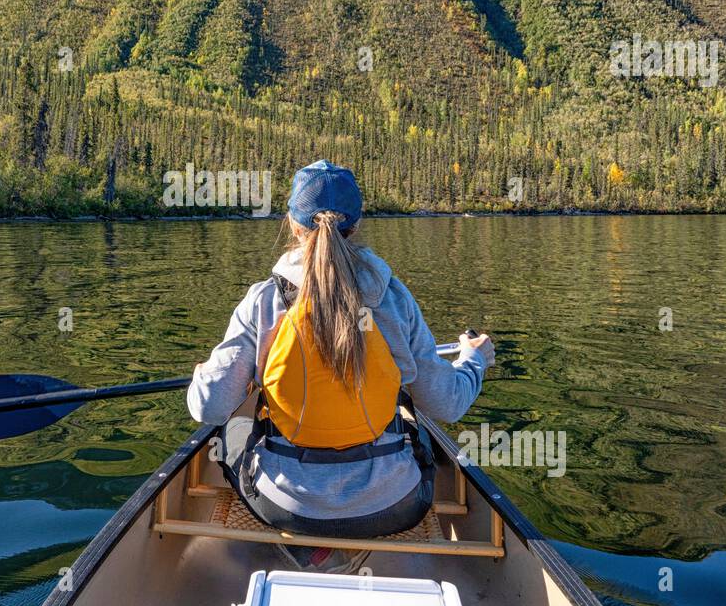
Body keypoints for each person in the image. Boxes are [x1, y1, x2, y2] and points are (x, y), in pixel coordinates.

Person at [187, 160, 495, 543]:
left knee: (232, 425)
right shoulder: (394, 299)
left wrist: (207, 375)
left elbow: (209, 407)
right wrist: (474, 360)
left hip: (284, 506)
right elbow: (446, 405)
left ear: (293, 223)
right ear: (357, 223)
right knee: (416, 419)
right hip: (394, 504)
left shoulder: (264, 300)